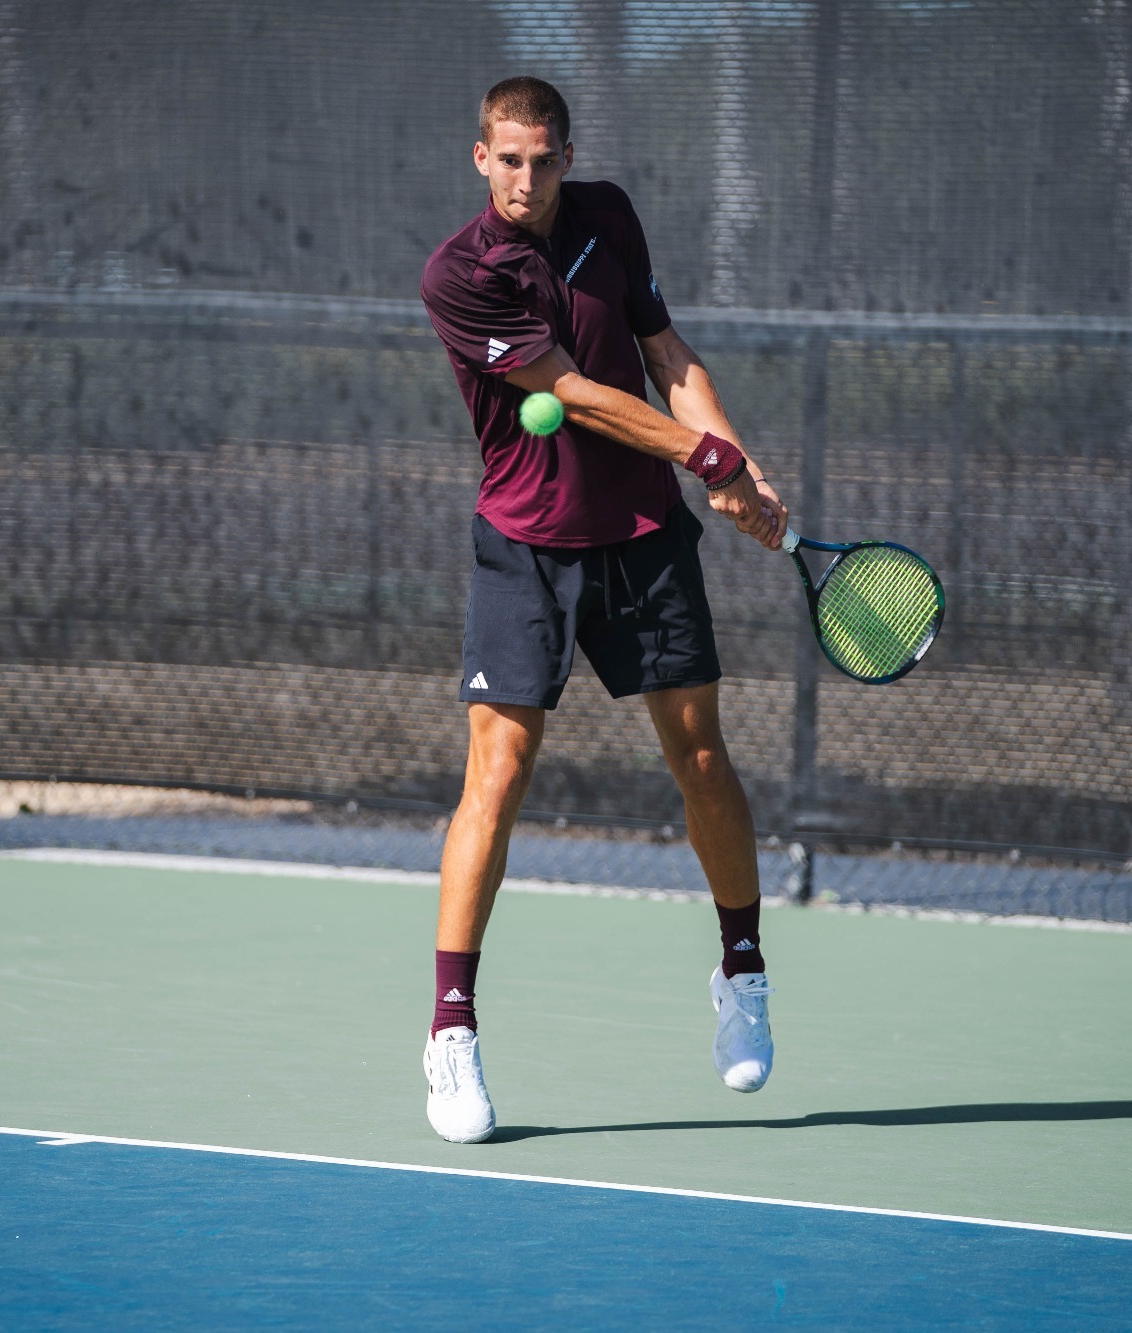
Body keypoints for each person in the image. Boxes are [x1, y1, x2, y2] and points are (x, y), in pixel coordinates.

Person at [415, 76, 790, 1144]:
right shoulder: (458, 274)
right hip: (523, 545)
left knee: (702, 757)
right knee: (496, 774)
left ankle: (742, 967)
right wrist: (706, 458)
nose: (526, 179)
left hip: (642, 538)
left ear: (567, 158)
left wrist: (741, 464)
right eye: (509, 159)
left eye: (544, 160)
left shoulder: (609, 216)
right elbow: (570, 392)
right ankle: (450, 1029)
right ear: (480, 157)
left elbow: (667, 354)